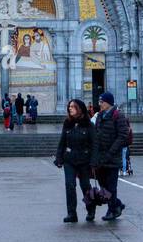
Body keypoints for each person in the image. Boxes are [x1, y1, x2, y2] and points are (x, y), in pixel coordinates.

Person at [55, 99, 95, 223]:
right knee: (70, 185)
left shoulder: (88, 125)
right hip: (69, 159)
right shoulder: (67, 123)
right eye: (69, 107)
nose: (70, 109)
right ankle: (72, 213)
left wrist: (94, 161)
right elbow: (62, 141)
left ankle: (90, 210)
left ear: (79, 108)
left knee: (85, 186)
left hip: (84, 160)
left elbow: (94, 144)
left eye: (73, 107)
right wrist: (59, 157)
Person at [91, 92, 129, 220]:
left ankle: (111, 211)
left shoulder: (118, 116)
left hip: (113, 158)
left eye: (102, 102)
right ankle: (117, 204)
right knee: (103, 186)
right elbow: (96, 136)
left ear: (108, 103)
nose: (99, 104)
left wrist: (111, 152)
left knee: (111, 186)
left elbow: (123, 136)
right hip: (101, 158)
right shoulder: (100, 115)